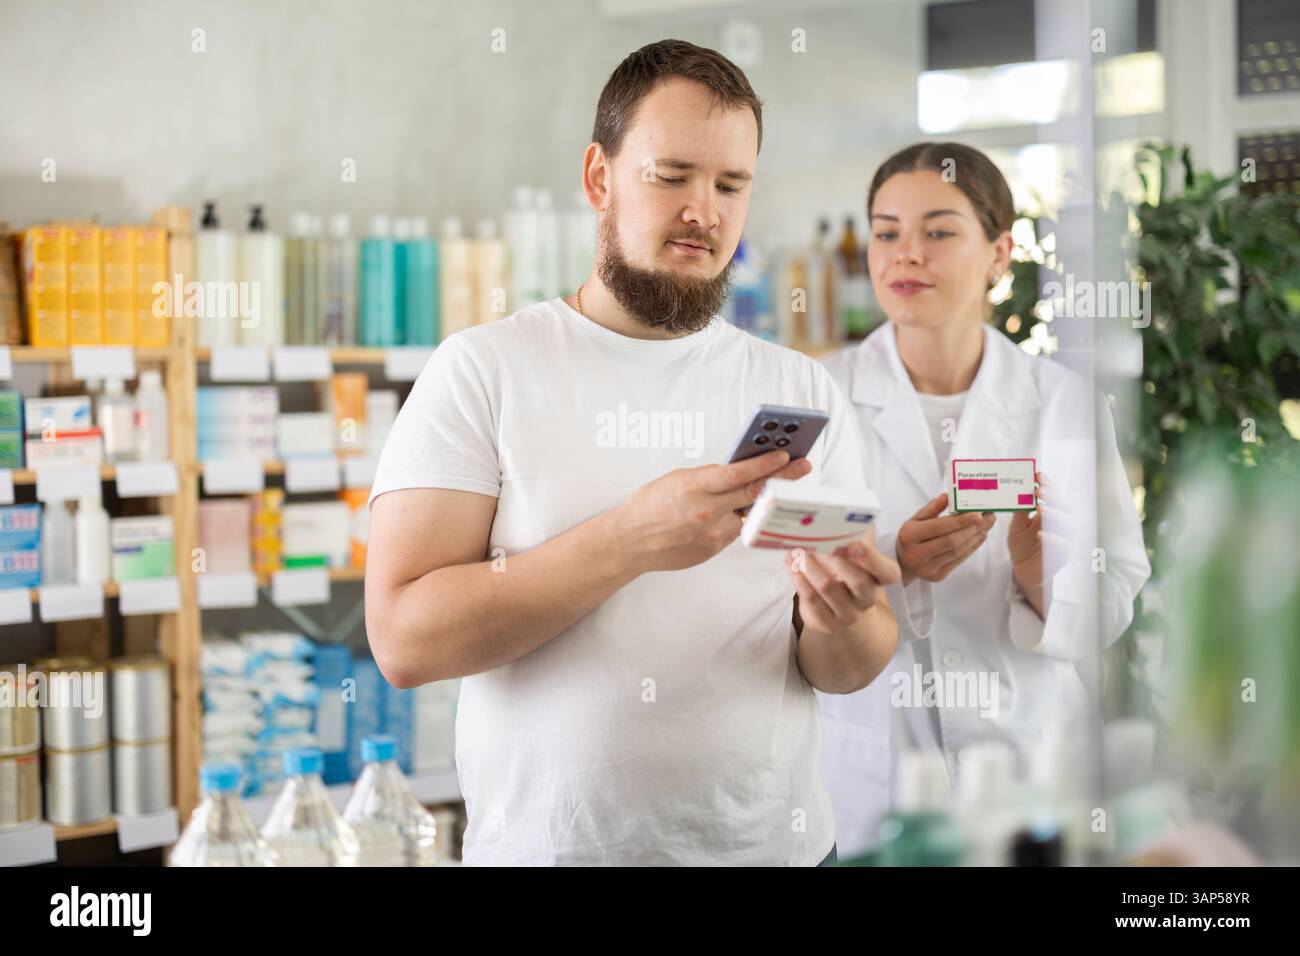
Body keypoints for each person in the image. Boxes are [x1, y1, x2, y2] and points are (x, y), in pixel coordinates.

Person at [365, 39, 900, 866]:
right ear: (598, 178)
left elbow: (845, 667)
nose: (705, 210)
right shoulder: (485, 370)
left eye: (731, 184)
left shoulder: (799, 390)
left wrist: (848, 616)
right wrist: (629, 541)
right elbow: (403, 640)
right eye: (672, 175)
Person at [817, 142, 1151, 858]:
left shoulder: (1065, 404)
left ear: (999, 253)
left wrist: (1040, 574)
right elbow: (780, 583)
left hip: (1032, 758)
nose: (906, 254)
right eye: (886, 232)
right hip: (869, 767)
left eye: (938, 231)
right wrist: (894, 563)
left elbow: (1119, 587)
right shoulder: (821, 396)